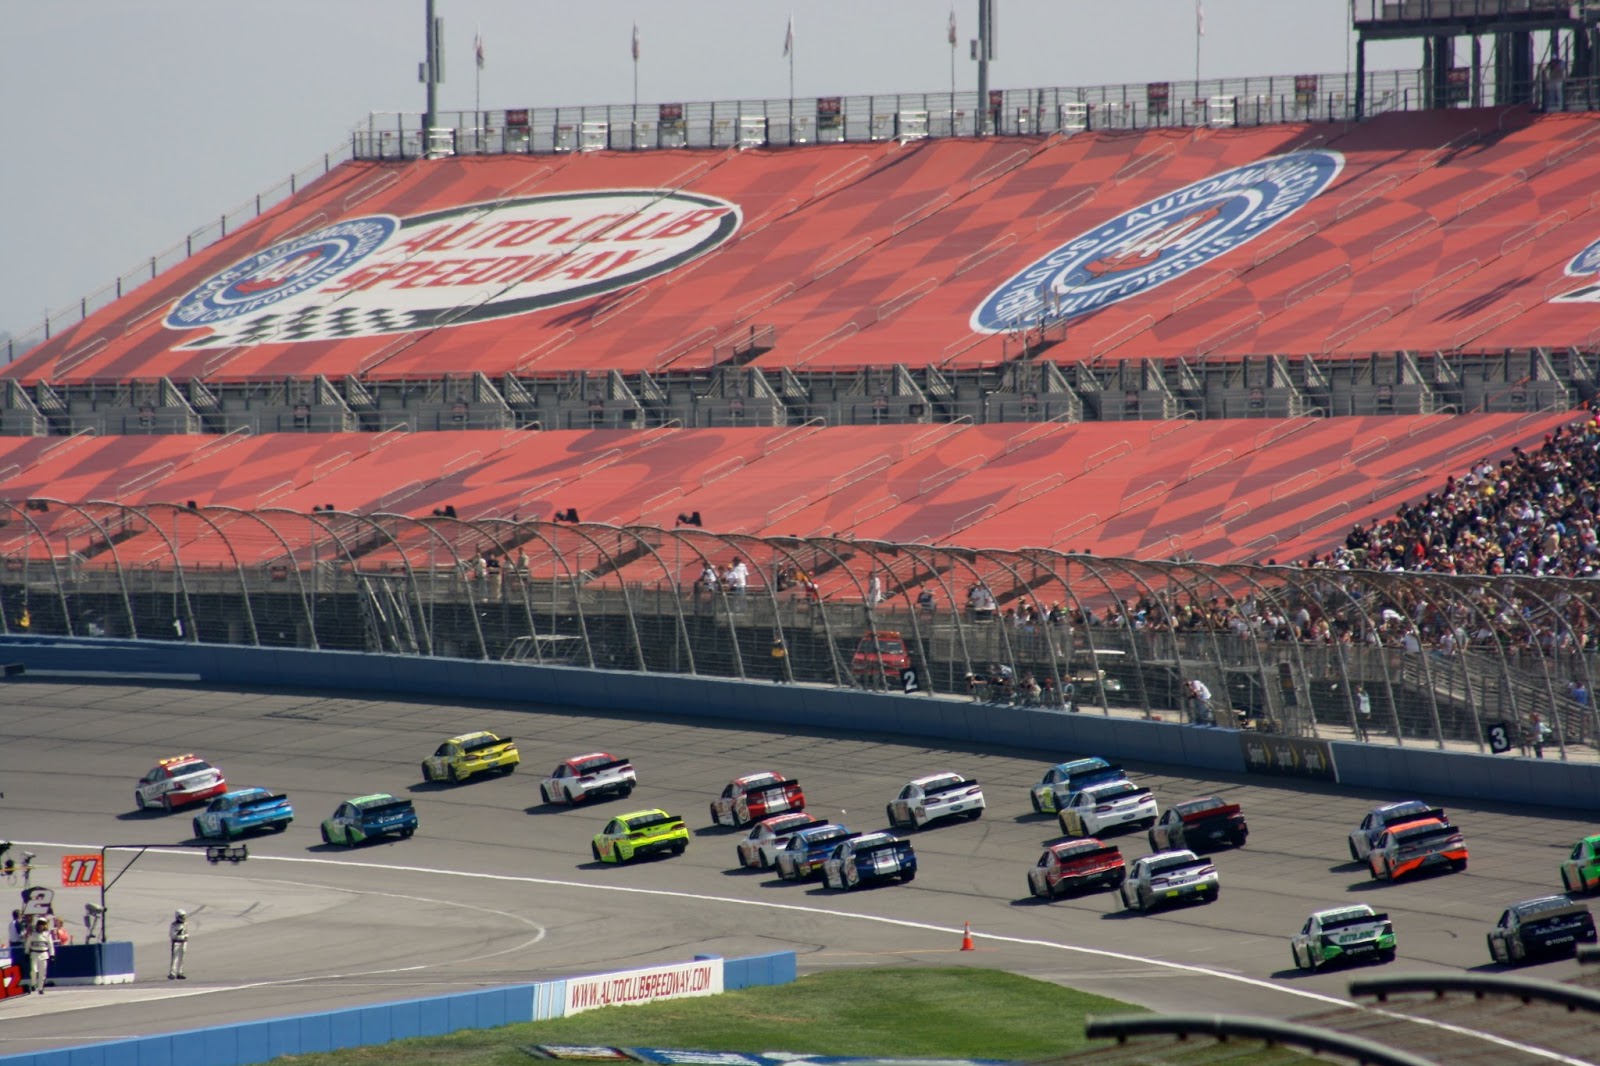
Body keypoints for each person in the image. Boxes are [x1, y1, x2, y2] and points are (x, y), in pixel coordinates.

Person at [25, 916, 53, 994]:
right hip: (34, 953)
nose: (40, 926)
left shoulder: (47, 935)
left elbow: (51, 946)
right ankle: (33, 984)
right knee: (33, 970)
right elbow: (28, 944)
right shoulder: (32, 934)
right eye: (39, 924)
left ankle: (40, 988)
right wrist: (26, 953)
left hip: (43, 954)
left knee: (42, 972)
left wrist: (52, 955)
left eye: (42, 924)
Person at [168, 909, 189, 980]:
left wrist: (186, 937)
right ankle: (172, 973)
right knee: (175, 958)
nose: (183, 918)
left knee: (182, 958)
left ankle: (180, 972)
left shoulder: (185, 924)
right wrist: (181, 937)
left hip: (184, 943)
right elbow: (172, 935)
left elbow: (186, 932)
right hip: (176, 943)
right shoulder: (174, 925)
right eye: (182, 916)